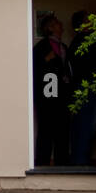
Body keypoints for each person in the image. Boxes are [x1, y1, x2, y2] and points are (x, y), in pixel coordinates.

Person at [32, 13, 72, 166]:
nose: (61, 25)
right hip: (47, 96)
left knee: (62, 130)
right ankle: (42, 163)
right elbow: (35, 69)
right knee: (46, 130)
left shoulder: (64, 47)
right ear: (49, 28)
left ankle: (62, 163)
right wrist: (46, 61)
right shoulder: (41, 47)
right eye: (57, 23)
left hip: (62, 96)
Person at [68, 10, 96, 166]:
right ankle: (80, 162)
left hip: (85, 86)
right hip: (86, 87)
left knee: (86, 124)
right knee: (85, 125)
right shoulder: (83, 42)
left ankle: (81, 159)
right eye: (89, 19)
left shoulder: (79, 42)